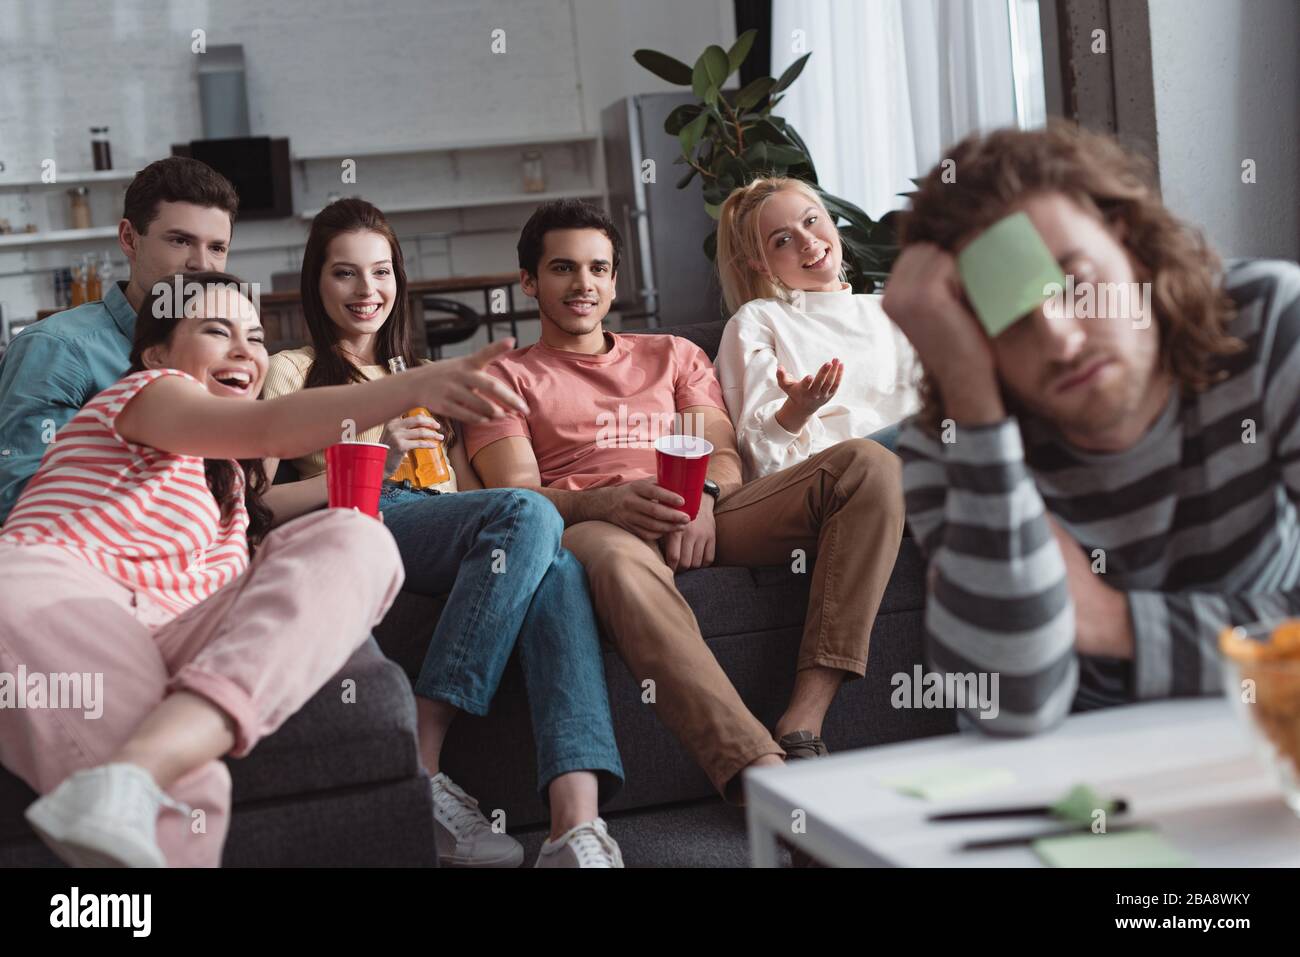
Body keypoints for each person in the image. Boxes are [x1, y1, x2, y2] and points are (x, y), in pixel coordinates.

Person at [0, 272, 528, 866]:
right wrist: (415, 383)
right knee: (190, 794)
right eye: (216, 331)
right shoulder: (147, 393)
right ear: (156, 352)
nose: (243, 351)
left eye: (254, 337)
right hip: (64, 588)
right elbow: (271, 425)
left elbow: (292, 518)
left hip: (169, 627)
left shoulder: (225, 492)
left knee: (359, 539)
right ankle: (128, 786)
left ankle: (131, 777)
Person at [467, 199, 906, 803]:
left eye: (597, 268)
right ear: (528, 282)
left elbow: (720, 452)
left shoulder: (673, 354)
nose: (583, 284)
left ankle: (805, 718)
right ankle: (760, 776)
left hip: (703, 507)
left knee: (870, 465)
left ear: (614, 280)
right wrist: (609, 504)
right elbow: (517, 495)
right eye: (563, 269)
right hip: (595, 522)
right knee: (621, 563)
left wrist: (701, 494)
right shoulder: (503, 379)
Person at [884, 122, 1300, 734]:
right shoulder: (952, 441)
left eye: (1077, 284)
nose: (1062, 339)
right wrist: (973, 402)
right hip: (1084, 781)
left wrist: (1116, 623)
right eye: (1010, 316)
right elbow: (1008, 704)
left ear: (1126, 240)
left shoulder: (1268, 325)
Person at [259, 199, 624, 868]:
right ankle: (421, 755)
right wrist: (377, 460)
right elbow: (259, 504)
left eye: (380, 272)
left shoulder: (416, 373)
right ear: (316, 282)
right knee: (529, 513)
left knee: (557, 565)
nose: (366, 291)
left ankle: (574, 825)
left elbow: (464, 494)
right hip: (362, 517)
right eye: (345, 274)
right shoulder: (290, 369)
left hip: (436, 523)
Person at [0, 156, 239, 521]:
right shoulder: (56, 348)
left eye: (217, 248)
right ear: (129, 238)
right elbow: (26, 497)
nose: (201, 264)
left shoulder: (223, 351)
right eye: (180, 240)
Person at [714, 176, 920, 475]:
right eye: (782, 240)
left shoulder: (892, 309)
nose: (807, 240)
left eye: (811, 220)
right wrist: (797, 411)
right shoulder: (759, 320)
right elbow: (761, 458)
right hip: (842, 475)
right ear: (761, 265)